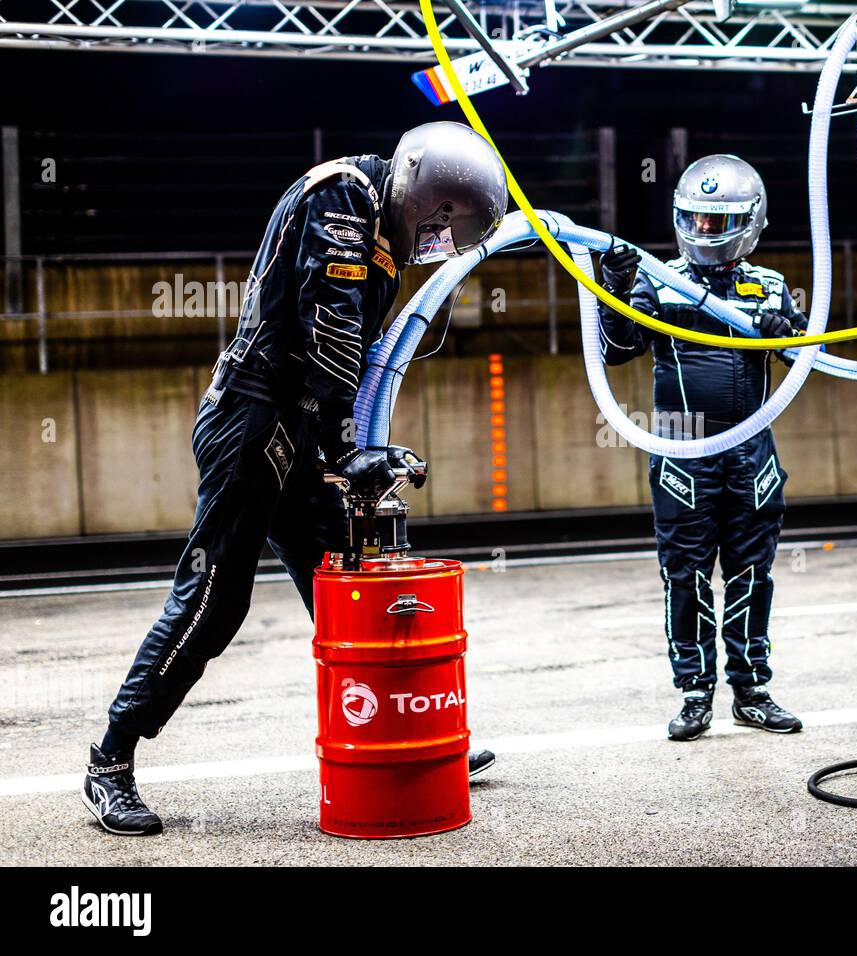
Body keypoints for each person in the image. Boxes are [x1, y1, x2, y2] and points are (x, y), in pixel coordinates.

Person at [83, 122, 509, 836]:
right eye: (446, 229)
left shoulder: (375, 212)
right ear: (431, 202)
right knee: (215, 601)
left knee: (346, 589)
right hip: (252, 421)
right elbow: (331, 329)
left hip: (297, 422)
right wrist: (350, 444)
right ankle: (109, 762)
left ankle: (402, 735)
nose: (441, 244)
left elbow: (352, 346)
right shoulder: (343, 195)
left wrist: (349, 444)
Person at [597, 154, 806, 742]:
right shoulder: (656, 279)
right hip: (682, 449)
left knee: (751, 572)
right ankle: (694, 694)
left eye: (719, 222)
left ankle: (751, 690)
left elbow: (801, 356)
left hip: (751, 444)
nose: (705, 232)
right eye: (696, 219)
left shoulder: (768, 286)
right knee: (684, 574)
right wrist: (611, 285)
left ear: (749, 221)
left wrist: (783, 331)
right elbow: (616, 350)